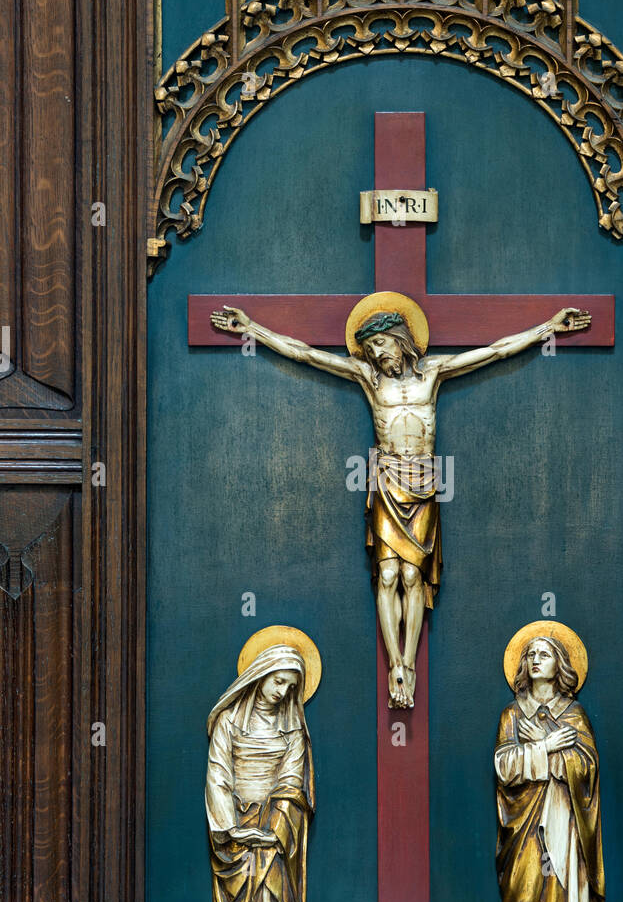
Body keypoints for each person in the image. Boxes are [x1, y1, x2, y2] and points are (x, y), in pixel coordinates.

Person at [210, 293, 590, 708]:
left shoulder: (433, 373)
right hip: (388, 479)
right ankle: (394, 663)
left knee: (413, 577)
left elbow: (495, 351)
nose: (377, 354)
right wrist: (252, 329)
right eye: (370, 349)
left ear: (400, 339)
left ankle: (409, 661)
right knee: (388, 575)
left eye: (382, 345)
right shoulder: (369, 379)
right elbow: (306, 355)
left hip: (425, 480)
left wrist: (547, 329)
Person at [204, 628, 320, 902]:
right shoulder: (229, 724)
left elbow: (291, 782)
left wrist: (273, 831)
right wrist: (234, 828)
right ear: (262, 673)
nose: (283, 691)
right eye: (279, 680)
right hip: (237, 825)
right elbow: (219, 777)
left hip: (274, 826)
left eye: (290, 686)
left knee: (272, 898)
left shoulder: (292, 732)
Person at [492, 624, 605, 902]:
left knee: (557, 895)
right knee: (522, 899)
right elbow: (504, 767)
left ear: (561, 664)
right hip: (523, 825)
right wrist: (543, 747)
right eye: (530, 655)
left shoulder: (573, 714)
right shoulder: (511, 715)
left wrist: (552, 749)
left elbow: (586, 768)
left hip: (561, 824)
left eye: (544, 653)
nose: (535, 660)